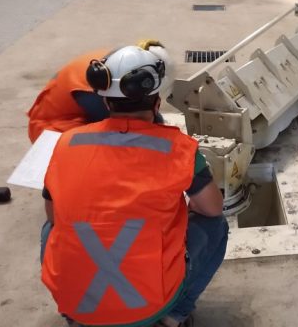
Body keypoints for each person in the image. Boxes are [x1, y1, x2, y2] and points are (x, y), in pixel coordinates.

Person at [40, 45, 228, 327]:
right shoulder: (179, 149)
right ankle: (174, 315)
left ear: (104, 102)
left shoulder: (67, 143)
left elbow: (53, 216)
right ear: (157, 103)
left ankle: (78, 314)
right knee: (216, 227)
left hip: (77, 307)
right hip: (148, 306)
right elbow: (212, 209)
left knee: (51, 229)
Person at [27, 39, 173, 143]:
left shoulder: (114, 65)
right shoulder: (93, 93)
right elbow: (126, 126)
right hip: (52, 133)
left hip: (74, 119)